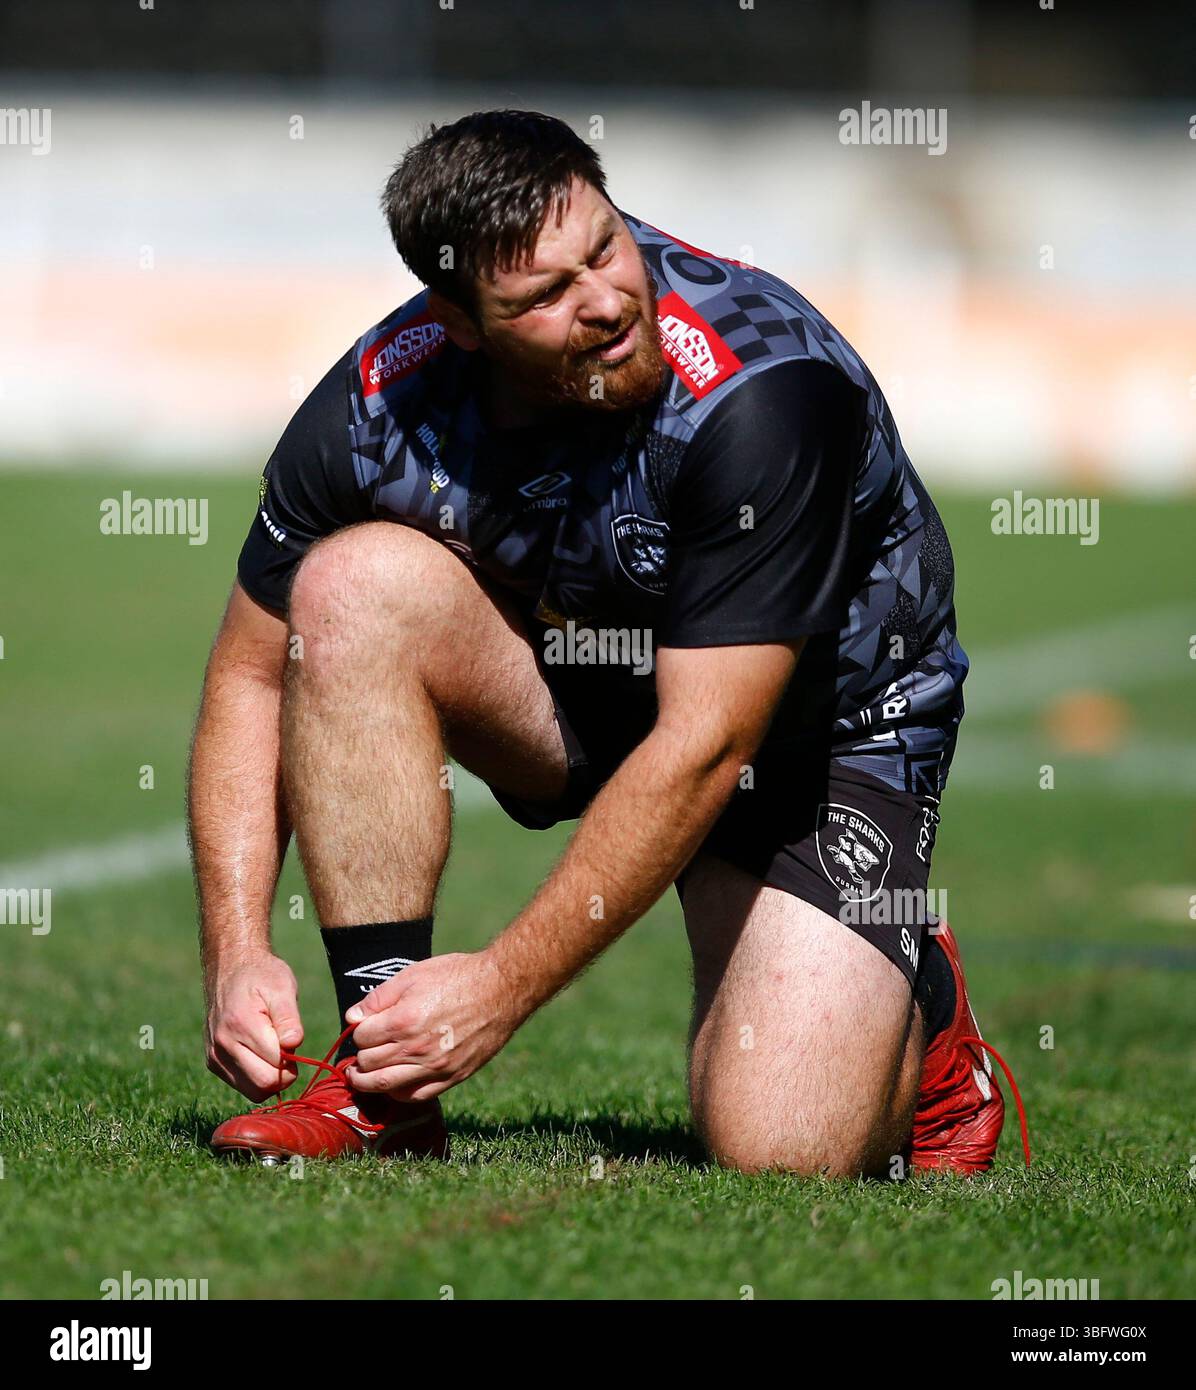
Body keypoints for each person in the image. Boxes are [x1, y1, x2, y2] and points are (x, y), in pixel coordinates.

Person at [190, 109, 1015, 1177]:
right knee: (347, 585)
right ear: (461, 323)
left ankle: (927, 1008)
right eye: (544, 295)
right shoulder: (376, 399)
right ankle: (379, 1087)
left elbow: (706, 749)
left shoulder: (762, 395)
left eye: (605, 245)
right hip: (595, 682)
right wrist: (235, 949)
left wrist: (497, 988)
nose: (609, 302)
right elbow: (252, 673)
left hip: (814, 737)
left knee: (779, 1149)